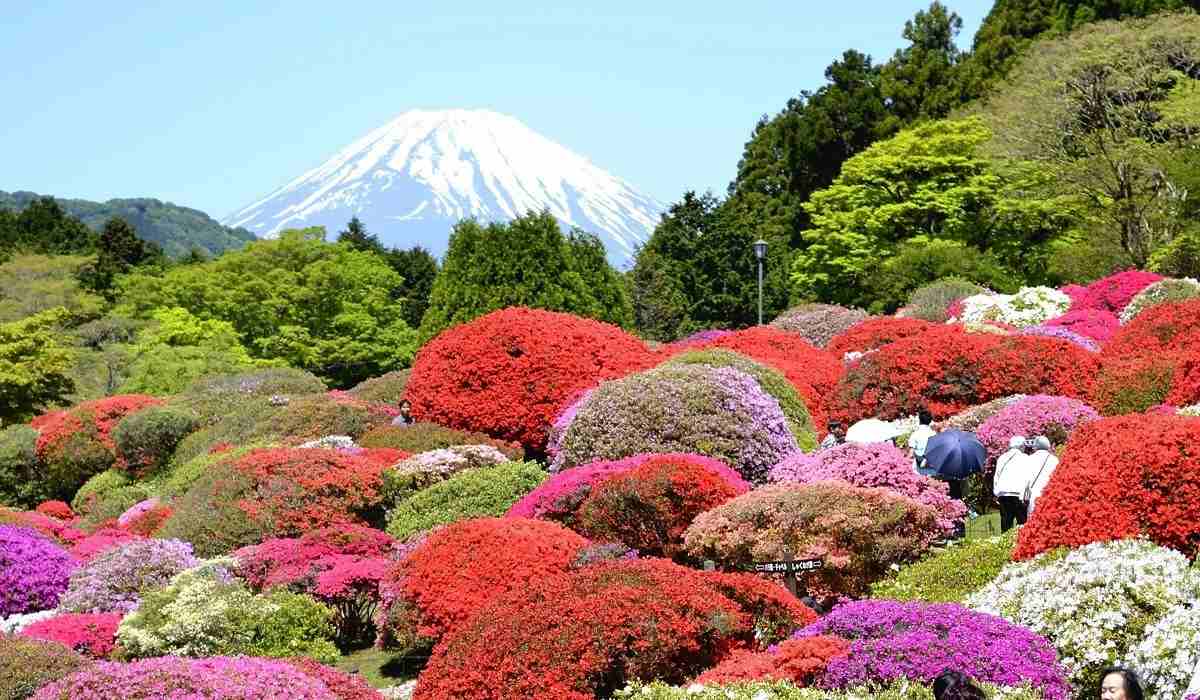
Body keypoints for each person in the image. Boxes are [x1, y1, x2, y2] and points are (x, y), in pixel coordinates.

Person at [993, 435, 1032, 532]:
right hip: (1018, 494)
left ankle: (1005, 545)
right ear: (1021, 446)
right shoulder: (1025, 458)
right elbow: (1028, 478)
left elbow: (996, 476)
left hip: (1004, 494)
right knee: (1022, 524)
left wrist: (996, 493)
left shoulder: (1002, 458)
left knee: (1006, 524)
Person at [1024, 435, 1059, 516]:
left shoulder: (1029, 459)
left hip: (1033, 494)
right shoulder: (1054, 460)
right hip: (1050, 494)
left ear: (1035, 446)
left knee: (1033, 520)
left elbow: (1025, 480)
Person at [908, 409, 937, 473]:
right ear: (930, 421)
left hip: (919, 468)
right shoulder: (934, 434)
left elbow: (911, 453)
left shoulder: (915, 434)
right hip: (932, 467)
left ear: (919, 421)